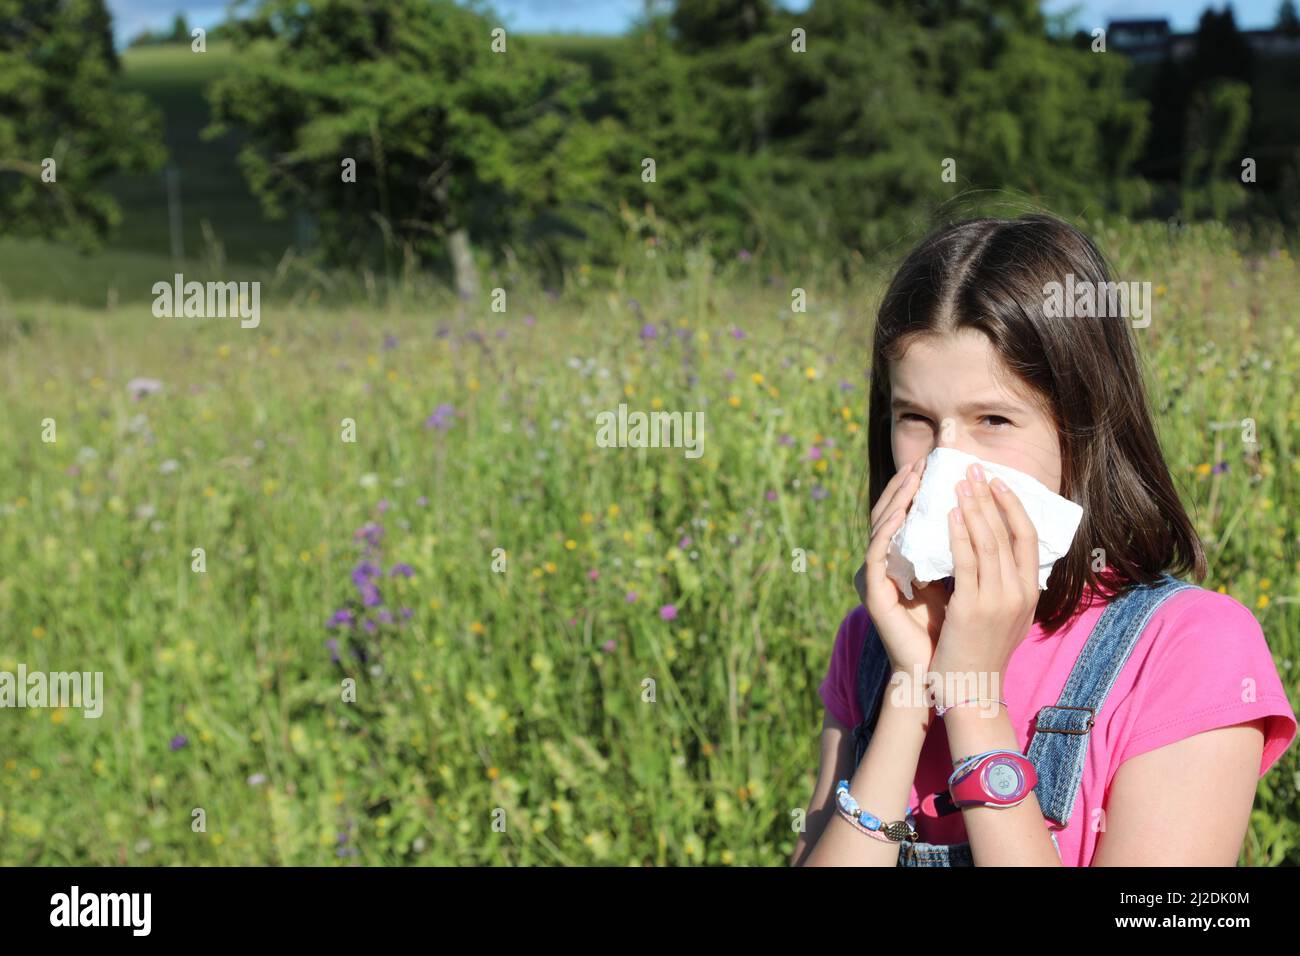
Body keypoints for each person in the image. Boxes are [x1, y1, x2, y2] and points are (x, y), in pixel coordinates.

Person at [793, 213, 1297, 866]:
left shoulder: (1189, 650)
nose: (948, 460)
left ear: (1081, 430)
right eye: (916, 418)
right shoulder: (871, 643)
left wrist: (972, 702)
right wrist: (909, 690)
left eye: (993, 419)